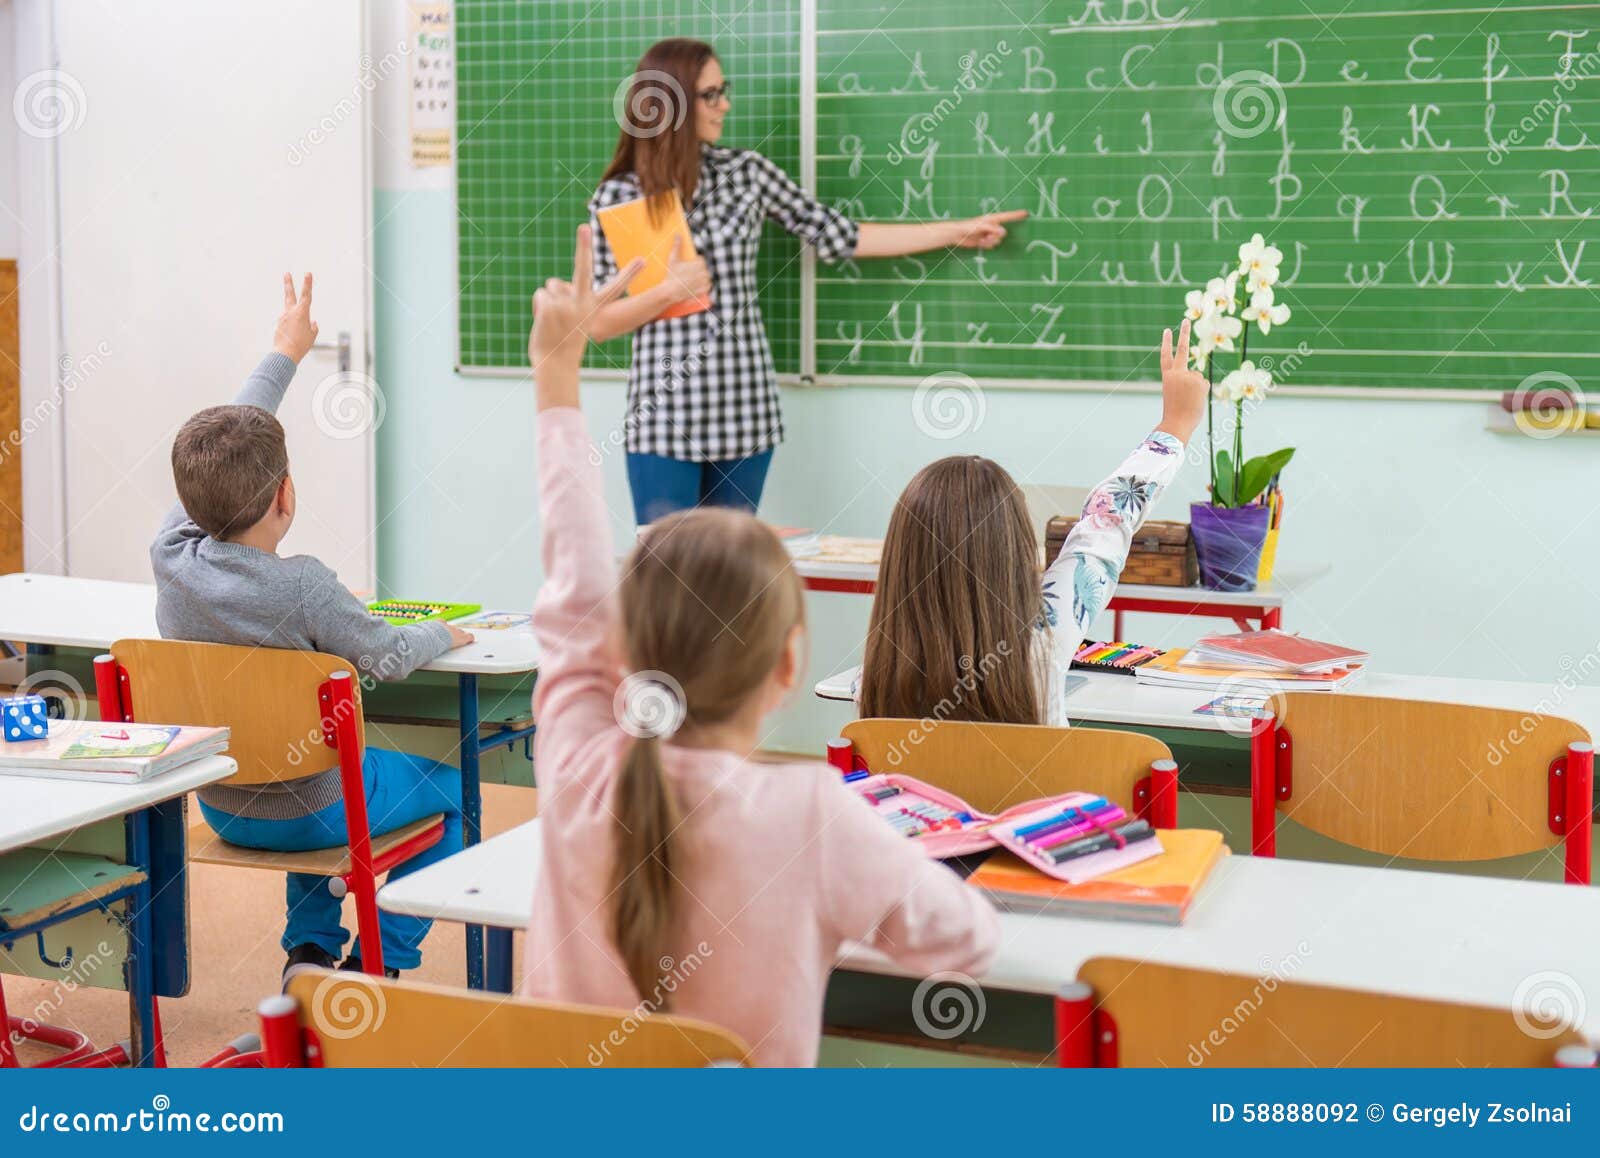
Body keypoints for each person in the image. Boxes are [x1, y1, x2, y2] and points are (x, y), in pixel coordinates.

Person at [521, 225, 999, 1065]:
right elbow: (967, 945)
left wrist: (557, 382)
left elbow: (577, 583)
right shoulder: (813, 816)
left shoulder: (573, 768)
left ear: (625, 651)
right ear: (788, 665)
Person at [152, 274, 474, 984]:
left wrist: (282, 353)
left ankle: (309, 952)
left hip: (225, 806)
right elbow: (388, 656)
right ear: (286, 494)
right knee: (455, 796)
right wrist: (444, 637)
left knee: (311, 757)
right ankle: (378, 965)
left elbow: (229, 446)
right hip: (314, 807)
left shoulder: (170, 555)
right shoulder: (304, 586)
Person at [586, 37, 1028, 524]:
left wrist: (956, 231)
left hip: (742, 408)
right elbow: (598, 324)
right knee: (667, 577)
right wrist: (670, 290)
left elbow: (843, 235)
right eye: (710, 94)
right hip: (662, 418)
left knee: (730, 580)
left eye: (722, 89)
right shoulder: (622, 195)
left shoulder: (745, 173)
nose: (725, 104)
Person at [858, 320, 1209, 726]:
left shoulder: (874, 677)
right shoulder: (1045, 635)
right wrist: (1176, 424)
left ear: (901, 556)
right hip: (1034, 793)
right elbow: (1109, 518)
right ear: (1014, 547)